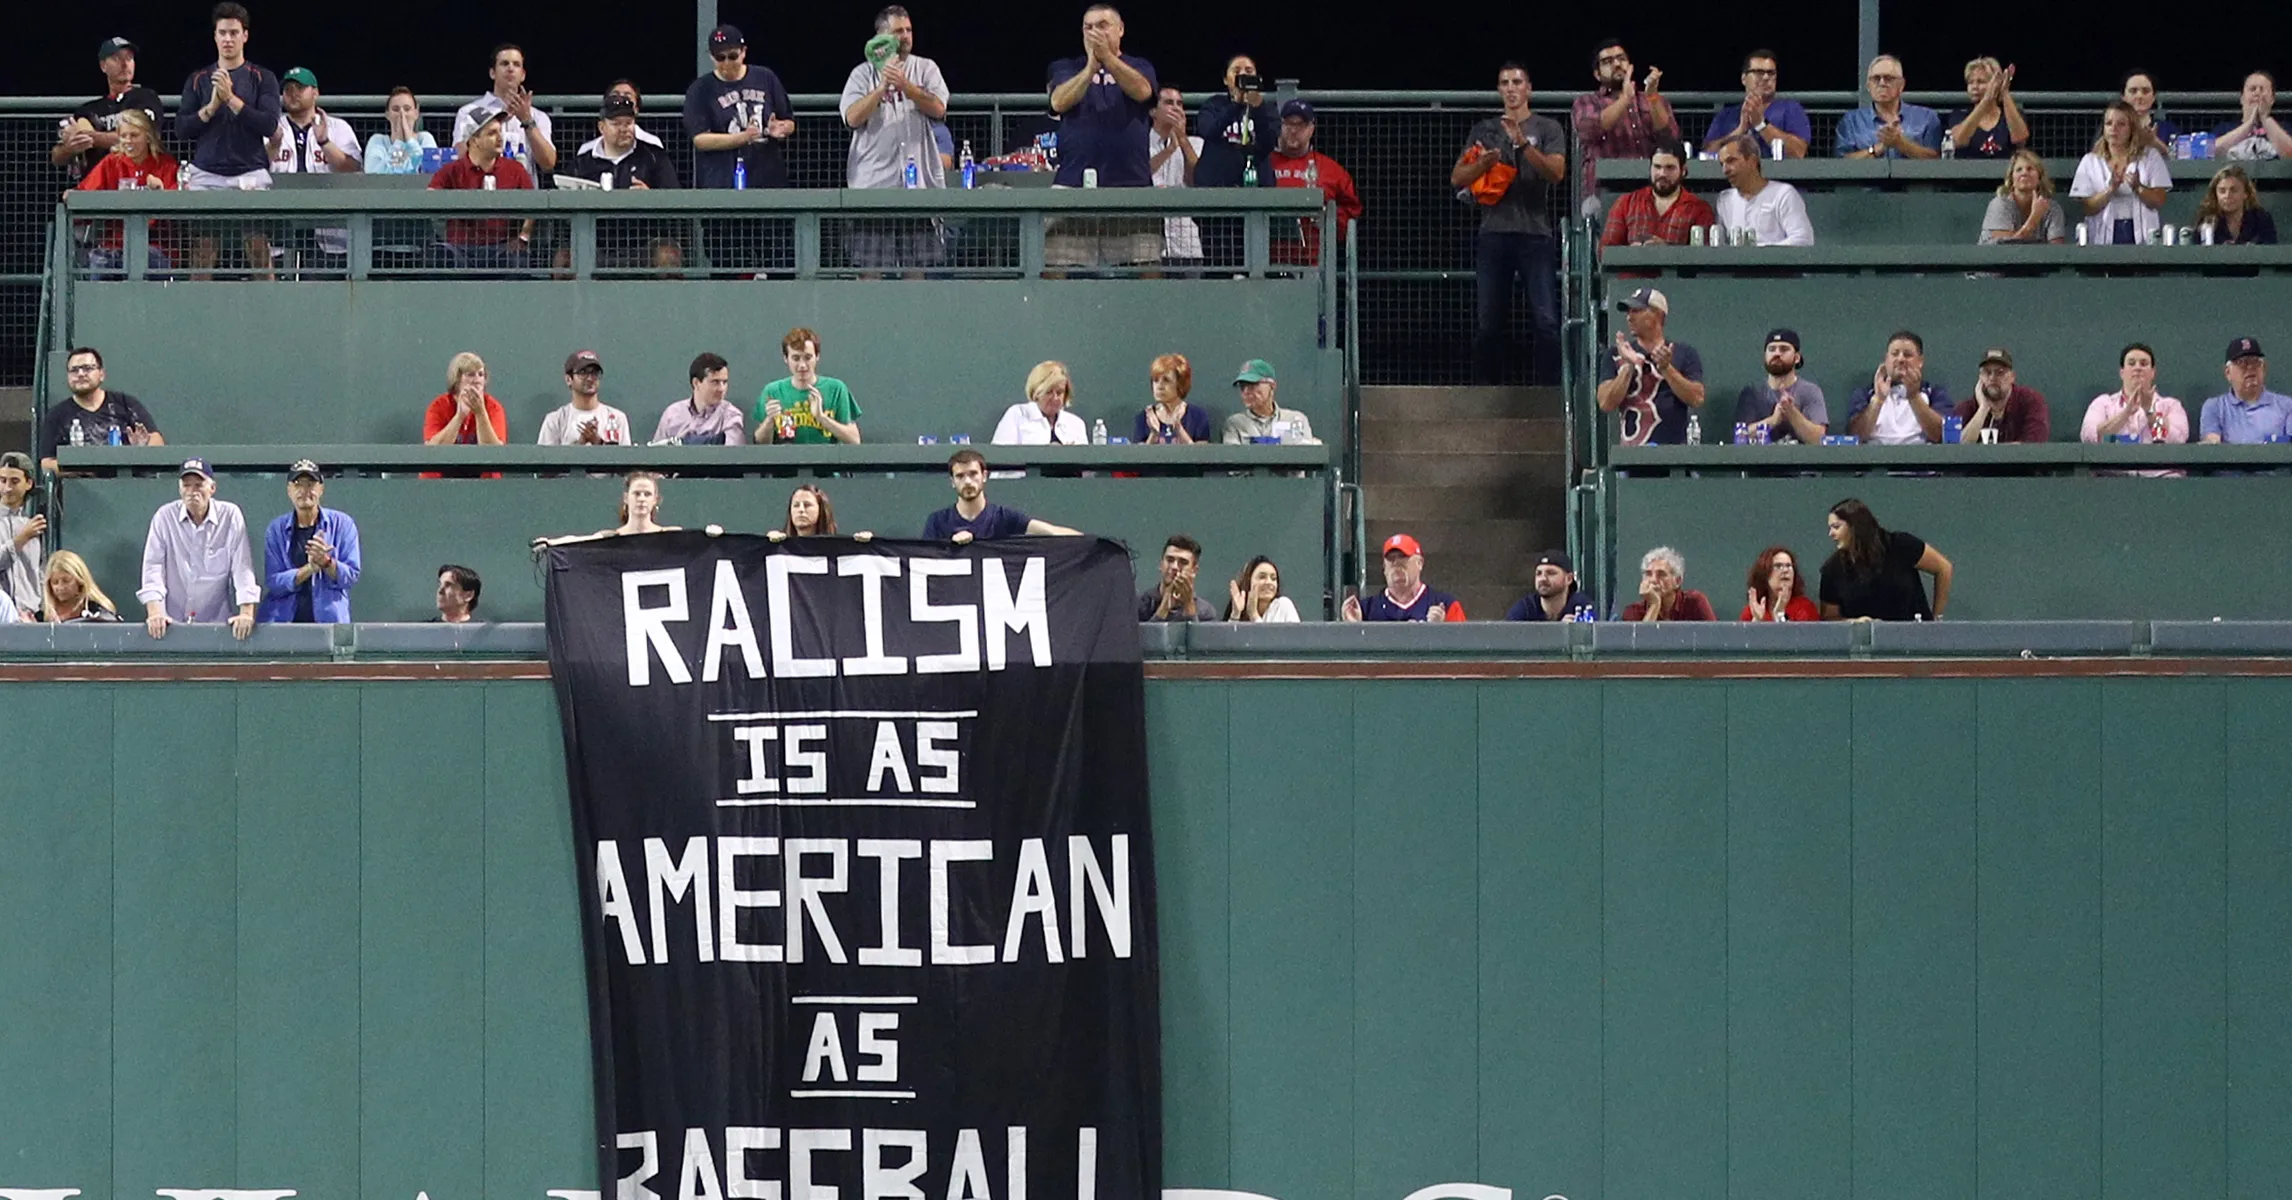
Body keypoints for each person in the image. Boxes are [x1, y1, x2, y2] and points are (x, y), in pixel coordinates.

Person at [1454, 63, 1566, 385]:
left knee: (1546, 319)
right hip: (1494, 233)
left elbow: (1556, 173)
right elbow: (1457, 176)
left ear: (1528, 88)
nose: (1511, 88)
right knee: (1488, 322)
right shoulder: (1484, 129)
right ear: (1499, 90)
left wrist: (1524, 145)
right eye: (1504, 82)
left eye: (1517, 81)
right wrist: (1483, 165)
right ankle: (1486, 393)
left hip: (1536, 234)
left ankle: (1550, 392)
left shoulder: (1547, 128)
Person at [1045, 6, 1159, 271]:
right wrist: (1090, 68)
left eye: (1103, 25)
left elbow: (1143, 91)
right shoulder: (1065, 67)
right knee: (1055, 268)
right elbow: (1058, 101)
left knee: (1147, 268)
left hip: (1131, 185)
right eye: (1088, 27)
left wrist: (1108, 58)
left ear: (1120, 30)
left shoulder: (1139, 65)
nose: (1095, 32)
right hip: (1072, 186)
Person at [838, 7, 950, 270]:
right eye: (898, 31)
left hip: (918, 189)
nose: (906, 36)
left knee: (917, 274)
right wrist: (881, 89)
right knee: (870, 274)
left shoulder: (926, 68)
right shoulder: (862, 74)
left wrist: (906, 86)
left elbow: (939, 108)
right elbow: (852, 118)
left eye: (908, 30)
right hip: (872, 189)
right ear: (881, 36)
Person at [177, 3, 281, 277]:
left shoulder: (263, 77)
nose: (228, 39)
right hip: (207, 174)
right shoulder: (198, 78)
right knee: (203, 250)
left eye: (234, 33)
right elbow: (182, 129)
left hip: (251, 173)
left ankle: (271, 311)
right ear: (214, 36)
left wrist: (232, 100)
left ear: (245, 35)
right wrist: (211, 106)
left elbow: (269, 124)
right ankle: (198, 316)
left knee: (258, 248)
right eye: (222, 32)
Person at [138, 457, 258, 639]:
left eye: (198, 485)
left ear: (212, 488)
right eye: (186, 485)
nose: (192, 492)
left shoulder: (230, 515)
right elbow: (153, 568)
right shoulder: (164, 517)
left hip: (217, 627)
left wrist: (246, 613)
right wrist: (155, 613)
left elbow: (242, 567)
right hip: (170, 627)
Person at [685, 25, 795, 190]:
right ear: (711, 56)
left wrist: (781, 128)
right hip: (720, 182)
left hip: (767, 179)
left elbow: (789, 121)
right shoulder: (700, 89)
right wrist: (743, 137)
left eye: (733, 56)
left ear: (743, 52)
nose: (727, 63)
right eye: (720, 57)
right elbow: (700, 139)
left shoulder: (765, 77)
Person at [1596, 286, 1705, 446]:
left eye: (1637, 311)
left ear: (1658, 314)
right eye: (1628, 312)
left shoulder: (1684, 353)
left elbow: (1697, 398)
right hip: (1632, 455)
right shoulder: (1615, 354)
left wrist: (1667, 369)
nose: (1629, 317)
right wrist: (1628, 367)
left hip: (1674, 454)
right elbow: (1605, 403)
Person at [75, 109, 181, 275]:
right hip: (114, 246)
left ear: (147, 136)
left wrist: (161, 192)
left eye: (134, 135)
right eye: (124, 136)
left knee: (147, 259)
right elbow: (84, 194)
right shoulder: (111, 162)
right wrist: (72, 196)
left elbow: (177, 208)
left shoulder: (165, 164)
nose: (128, 141)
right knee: (100, 261)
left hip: (155, 246)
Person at [1571, 40, 1677, 205]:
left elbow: (1670, 137)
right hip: (1602, 193)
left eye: (1621, 58)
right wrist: (1625, 99)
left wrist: (1653, 97)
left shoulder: (1651, 99)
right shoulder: (1586, 102)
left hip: (1649, 192)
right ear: (1597, 74)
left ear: (1630, 65)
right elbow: (1589, 130)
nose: (1616, 64)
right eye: (1607, 61)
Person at [427, 111, 536, 267]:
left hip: (502, 246)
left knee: (517, 257)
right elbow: (429, 197)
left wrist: (523, 237)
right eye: (492, 133)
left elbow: (532, 204)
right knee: (440, 256)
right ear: (474, 140)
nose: (500, 138)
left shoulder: (515, 169)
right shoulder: (452, 169)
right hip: (460, 247)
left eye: (500, 131)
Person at [258, 459, 360, 624]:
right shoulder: (276, 529)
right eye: (298, 484)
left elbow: (351, 576)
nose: (304, 491)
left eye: (310, 484)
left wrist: (326, 562)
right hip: (283, 624)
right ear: (289, 490)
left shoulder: (343, 524)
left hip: (329, 624)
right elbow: (274, 582)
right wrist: (310, 568)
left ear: (321, 489)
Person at [1819, 498, 1953, 621]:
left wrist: (1936, 618)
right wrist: (1854, 623)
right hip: (1867, 644)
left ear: (1856, 526)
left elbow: (1943, 568)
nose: (1831, 534)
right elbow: (1829, 617)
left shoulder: (1900, 544)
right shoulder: (1832, 569)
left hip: (1915, 638)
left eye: (1836, 527)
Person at [54, 36, 163, 182]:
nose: (125, 64)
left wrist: (88, 136)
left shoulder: (145, 98)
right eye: (117, 59)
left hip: (137, 182)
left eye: (129, 58)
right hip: (96, 185)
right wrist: (70, 147)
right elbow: (56, 156)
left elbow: (138, 138)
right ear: (103, 66)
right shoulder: (88, 110)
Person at [1268, 100, 1362, 268]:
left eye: (1301, 125)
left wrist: (1329, 222)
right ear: (1280, 126)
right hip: (1266, 263)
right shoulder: (1263, 164)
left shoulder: (1331, 170)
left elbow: (1352, 211)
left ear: (1311, 129)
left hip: (1312, 265)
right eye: (1289, 123)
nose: (1294, 130)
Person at [39, 345, 162, 474]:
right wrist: (79, 470)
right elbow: (47, 464)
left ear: (101, 374)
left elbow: (157, 440)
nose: (80, 374)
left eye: (87, 368)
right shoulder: (56, 415)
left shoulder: (126, 404)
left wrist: (141, 451)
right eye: (74, 370)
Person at [923, 448, 1083, 541]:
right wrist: (950, 547)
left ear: (984, 476)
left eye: (973, 474)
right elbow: (924, 561)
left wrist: (1093, 544)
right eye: (960, 476)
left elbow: (1050, 532)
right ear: (952, 481)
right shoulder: (937, 521)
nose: (968, 481)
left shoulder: (1003, 517)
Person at [2072, 101, 2171, 246]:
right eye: (2109, 123)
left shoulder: (2150, 156)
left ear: (2132, 128)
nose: (2114, 129)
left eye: (2121, 124)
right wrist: (2110, 190)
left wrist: (2138, 187)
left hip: (2142, 234)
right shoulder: (2090, 161)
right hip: (2102, 235)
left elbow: (2159, 200)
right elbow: (2088, 208)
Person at [2082, 343, 2189, 476]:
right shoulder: (2103, 403)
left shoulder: (2171, 405)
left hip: (2159, 478)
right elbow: (2089, 437)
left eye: (2144, 364)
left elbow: (2177, 441)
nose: (2137, 367)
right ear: (2122, 372)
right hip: (2112, 478)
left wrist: (2150, 412)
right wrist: (2125, 413)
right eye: (2131, 363)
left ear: (2153, 372)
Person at [453, 44, 555, 175]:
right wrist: (498, 120)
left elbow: (548, 164)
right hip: (481, 190)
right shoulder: (469, 112)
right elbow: (460, 157)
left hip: (524, 193)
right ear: (492, 73)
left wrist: (527, 121)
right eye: (504, 63)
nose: (510, 68)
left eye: (516, 64)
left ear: (523, 75)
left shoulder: (538, 116)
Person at [753, 327, 863, 445]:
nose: (802, 365)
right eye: (796, 358)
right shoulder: (773, 391)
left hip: (827, 461)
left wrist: (821, 417)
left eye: (808, 358)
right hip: (786, 461)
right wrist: (769, 420)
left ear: (817, 357)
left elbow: (854, 440)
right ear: (786, 359)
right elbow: (760, 445)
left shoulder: (836, 389)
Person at [1599, 142, 1716, 250]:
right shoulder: (1626, 203)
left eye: (1669, 168)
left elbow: (1703, 256)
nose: (1662, 174)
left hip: (1674, 273)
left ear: (1683, 170)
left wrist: (1666, 250)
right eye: (1657, 167)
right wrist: (1631, 253)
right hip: (1633, 272)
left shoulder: (1699, 209)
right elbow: (1605, 251)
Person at [1845, 331, 1952, 446]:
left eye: (1908, 355)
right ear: (1886, 359)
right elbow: (1855, 436)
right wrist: (1878, 400)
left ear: (1920, 361)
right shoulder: (1865, 393)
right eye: (1895, 354)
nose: (1900, 359)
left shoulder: (1934, 393)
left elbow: (1942, 435)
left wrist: (1914, 397)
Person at [1703, 49, 1810, 158]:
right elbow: (1706, 154)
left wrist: (1760, 124)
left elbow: (1798, 152)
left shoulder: (1791, 109)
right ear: (1744, 78)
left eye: (1771, 73)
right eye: (1759, 72)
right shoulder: (1726, 115)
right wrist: (1740, 130)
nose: (1766, 77)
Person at [1714, 134, 1814, 245]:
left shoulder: (1783, 194)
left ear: (1752, 161)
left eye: (1731, 161)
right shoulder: (1724, 200)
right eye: (1722, 164)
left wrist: (1759, 253)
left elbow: (1803, 239)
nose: (1725, 170)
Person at [1196, 54, 1277, 190]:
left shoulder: (1266, 108)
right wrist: (1236, 105)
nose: (1243, 75)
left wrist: (1258, 110)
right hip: (1217, 186)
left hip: (1256, 184)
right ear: (1225, 80)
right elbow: (1208, 132)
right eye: (1237, 71)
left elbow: (1268, 143)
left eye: (1249, 71)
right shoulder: (1214, 105)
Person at [1733, 328, 1828, 444]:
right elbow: (1741, 437)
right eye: (1772, 349)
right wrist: (1773, 420)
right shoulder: (1752, 392)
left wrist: (1791, 412)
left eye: (1784, 349)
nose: (1777, 353)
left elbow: (1818, 439)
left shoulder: (1810, 391)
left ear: (1797, 358)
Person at [1837, 55, 1942, 159]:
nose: (1882, 83)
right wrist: (1875, 149)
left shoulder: (1927, 117)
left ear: (1901, 85)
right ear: (1868, 85)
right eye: (1876, 78)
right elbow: (1841, 163)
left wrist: (1901, 144)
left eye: (1889, 78)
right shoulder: (1851, 121)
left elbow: (1937, 159)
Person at [1341, 533, 1464, 621]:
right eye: (1391, 558)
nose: (1396, 563)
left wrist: (1442, 631)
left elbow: (1464, 652)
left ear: (1419, 563)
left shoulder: (1446, 605)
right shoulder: (1364, 610)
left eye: (1403, 557)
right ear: (1384, 567)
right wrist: (1354, 628)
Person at [570, 94, 679, 190]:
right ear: (602, 127)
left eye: (628, 123)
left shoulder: (654, 157)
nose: (623, 129)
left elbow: (675, 199)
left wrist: (649, 197)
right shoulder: (582, 164)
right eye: (616, 124)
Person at [1149, 87, 1205, 270]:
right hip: (1151, 246)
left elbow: (1197, 178)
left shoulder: (1196, 143)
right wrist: (1169, 149)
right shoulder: (1140, 142)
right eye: (1168, 103)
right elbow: (1141, 174)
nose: (1176, 108)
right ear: (1153, 111)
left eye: (1179, 104)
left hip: (1188, 245)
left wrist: (1181, 139)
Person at [2200, 337, 2292, 444]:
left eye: (2255, 362)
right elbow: (2211, 443)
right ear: (2228, 373)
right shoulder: (2215, 407)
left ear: (2264, 368)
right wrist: (2211, 441)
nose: (2250, 368)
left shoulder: (2287, 406)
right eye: (2242, 363)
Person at [269, 67, 358, 176]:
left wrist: (325, 142)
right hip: (279, 192)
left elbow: (354, 170)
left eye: (300, 88)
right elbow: (252, 169)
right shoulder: (271, 128)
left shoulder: (338, 127)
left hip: (327, 192)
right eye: (288, 89)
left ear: (315, 93)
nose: (293, 93)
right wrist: (273, 146)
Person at [1955, 347, 2050, 444]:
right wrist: (1983, 409)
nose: (1992, 378)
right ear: (1980, 378)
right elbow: (1956, 450)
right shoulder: (1967, 408)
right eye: (1987, 372)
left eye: (2000, 372)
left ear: (2012, 377)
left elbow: (2035, 445)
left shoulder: (2031, 401)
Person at [538, 349, 632, 446]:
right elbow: (546, 459)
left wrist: (599, 442)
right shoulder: (555, 420)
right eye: (583, 372)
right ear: (568, 379)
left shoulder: (617, 418)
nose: (590, 378)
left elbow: (625, 459)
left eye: (595, 373)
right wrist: (580, 444)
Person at [424, 351, 509, 452]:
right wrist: (459, 416)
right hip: (447, 467)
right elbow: (432, 451)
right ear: (457, 379)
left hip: (481, 467)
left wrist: (480, 412)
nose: (477, 380)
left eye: (481, 374)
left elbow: (495, 453)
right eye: (471, 375)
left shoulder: (493, 407)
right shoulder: (438, 406)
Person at [654, 351, 745, 445]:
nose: (721, 389)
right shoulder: (672, 414)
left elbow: (733, 456)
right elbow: (656, 454)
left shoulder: (731, 416)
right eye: (715, 382)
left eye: (724, 382)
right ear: (696, 383)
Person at [1946, 57, 2028, 159]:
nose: (1974, 86)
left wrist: (2004, 92)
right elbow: (1958, 141)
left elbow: (2020, 140)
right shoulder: (1960, 115)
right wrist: (1986, 100)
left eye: (1981, 82)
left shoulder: (2011, 114)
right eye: (1970, 82)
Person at [1980, 149, 2066, 244]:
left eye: (2030, 169)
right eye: (2019, 170)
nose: (2024, 173)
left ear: (2039, 177)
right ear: (2011, 179)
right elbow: (2006, 249)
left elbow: (2056, 249)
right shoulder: (2000, 205)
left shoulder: (2052, 208)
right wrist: (2034, 218)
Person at [993, 360, 1089, 444]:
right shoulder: (1017, 415)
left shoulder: (1076, 424)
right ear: (1036, 392)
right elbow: (1001, 457)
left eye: (1059, 392)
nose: (1055, 398)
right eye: (1049, 392)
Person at [1221, 359, 1316, 443]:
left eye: (1252, 385)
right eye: (1242, 387)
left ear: (1272, 386)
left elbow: (1306, 458)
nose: (1246, 392)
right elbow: (1235, 460)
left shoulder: (1295, 420)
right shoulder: (1235, 423)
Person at [1618, 546, 1714, 620]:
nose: (1653, 580)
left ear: (1677, 581)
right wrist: (1654, 605)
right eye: (1648, 574)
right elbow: (1640, 644)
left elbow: (1715, 639)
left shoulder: (1694, 602)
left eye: (1661, 574)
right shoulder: (1634, 611)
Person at [2214, 71, 2292, 162]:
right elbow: (2210, 152)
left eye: (2262, 89)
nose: (2257, 93)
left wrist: (2265, 119)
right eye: (2252, 89)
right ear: (2242, 98)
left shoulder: (2285, 128)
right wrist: (2248, 124)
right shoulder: (2224, 128)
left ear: (2272, 99)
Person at [1140, 535, 1221, 622]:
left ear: (1194, 571)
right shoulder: (1141, 604)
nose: (1174, 567)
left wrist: (1189, 605)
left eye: (1183, 562)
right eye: (1170, 560)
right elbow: (1142, 635)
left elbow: (1200, 636)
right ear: (1161, 564)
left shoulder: (1205, 612)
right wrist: (1163, 609)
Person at [1135, 353, 1210, 444]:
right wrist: (1154, 434)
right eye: (1156, 380)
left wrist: (1179, 430)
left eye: (1166, 380)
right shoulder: (1144, 417)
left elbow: (1201, 456)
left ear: (1180, 384)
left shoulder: (1198, 416)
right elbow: (1140, 457)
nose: (1159, 386)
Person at [0, 453, 41, 618]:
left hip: (32, 614)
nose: (7, 488)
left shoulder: (38, 519)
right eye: (3, 481)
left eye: (14, 481)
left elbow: (43, 569)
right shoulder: (28, 530)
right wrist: (21, 539)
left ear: (28, 483)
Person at [1503, 549, 1597, 621]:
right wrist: (1560, 633)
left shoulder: (1582, 607)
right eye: (1539, 573)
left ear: (1569, 579)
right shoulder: (1525, 608)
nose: (1543, 578)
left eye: (1551, 573)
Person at [2196, 165, 2278, 245]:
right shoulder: (2206, 220)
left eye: (2234, 190)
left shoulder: (2261, 218)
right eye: (2222, 191)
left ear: (2245, 193)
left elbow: (2271, 251)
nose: (2227, 195)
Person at [363, 87, 436, 174]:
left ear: (416, 114)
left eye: (407, 109)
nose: (402, 114)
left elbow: (427, 171)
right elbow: (374, 174)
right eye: (396, 109)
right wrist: (399, 144)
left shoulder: (425, 138)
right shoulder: (377, 141)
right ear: (387, 114)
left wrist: (410, 141)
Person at [1741, 546, 1818, 622]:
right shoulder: (1752, 611)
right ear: (1765, 574)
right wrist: (1757, 620)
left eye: (1788, 566)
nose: (1785, 570)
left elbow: (1798, 634)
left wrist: (1780, 615)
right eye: (1778, 566)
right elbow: (1744, 634)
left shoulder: (1804, 607)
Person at [42, 551, 121, 622]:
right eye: (55, 582)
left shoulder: (99, 614)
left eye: (66, 581)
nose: (61, 587)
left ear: (80, 581)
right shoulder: (41, 617)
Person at [603, 471, 678, 536]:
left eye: (647, 494)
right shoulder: (607, 537)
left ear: (655, 500)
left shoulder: (671, 535)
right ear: (626, 498)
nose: (642, 499)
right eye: (636, 493)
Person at [1228, 555, 1300, 622]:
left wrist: (1254, 615)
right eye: (1262, 577)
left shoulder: (1283, 605)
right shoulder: (1241, 609)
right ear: (1249, 581)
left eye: (1273, 578)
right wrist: (1235, 614)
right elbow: (1230, 635)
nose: (1269, 582)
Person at [2121, 70, 2179, 144]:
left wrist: (2155, 142)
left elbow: (2178, 154)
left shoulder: (2168, 129)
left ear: (2153, 97)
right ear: (2123, 97)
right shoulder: (2113, 128)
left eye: (2146, 91)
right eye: (2133, 91)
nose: (2139, 96)